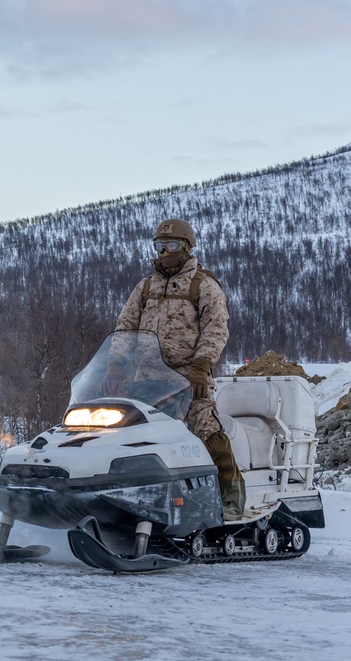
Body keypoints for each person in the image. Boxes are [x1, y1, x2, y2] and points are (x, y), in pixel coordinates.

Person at [104, 218, 247, 520]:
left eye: (170, 245)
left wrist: (202, 364)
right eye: (158, 246)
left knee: (205, 429)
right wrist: (115, 364)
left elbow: (216, 328)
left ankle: (230, 498)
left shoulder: (203, 286)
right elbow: (125, 326)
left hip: (188, 377)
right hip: (147, 379)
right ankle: (130, 496)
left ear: (186, 248)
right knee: (131, 436)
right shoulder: (145, 287)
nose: (163, 252)